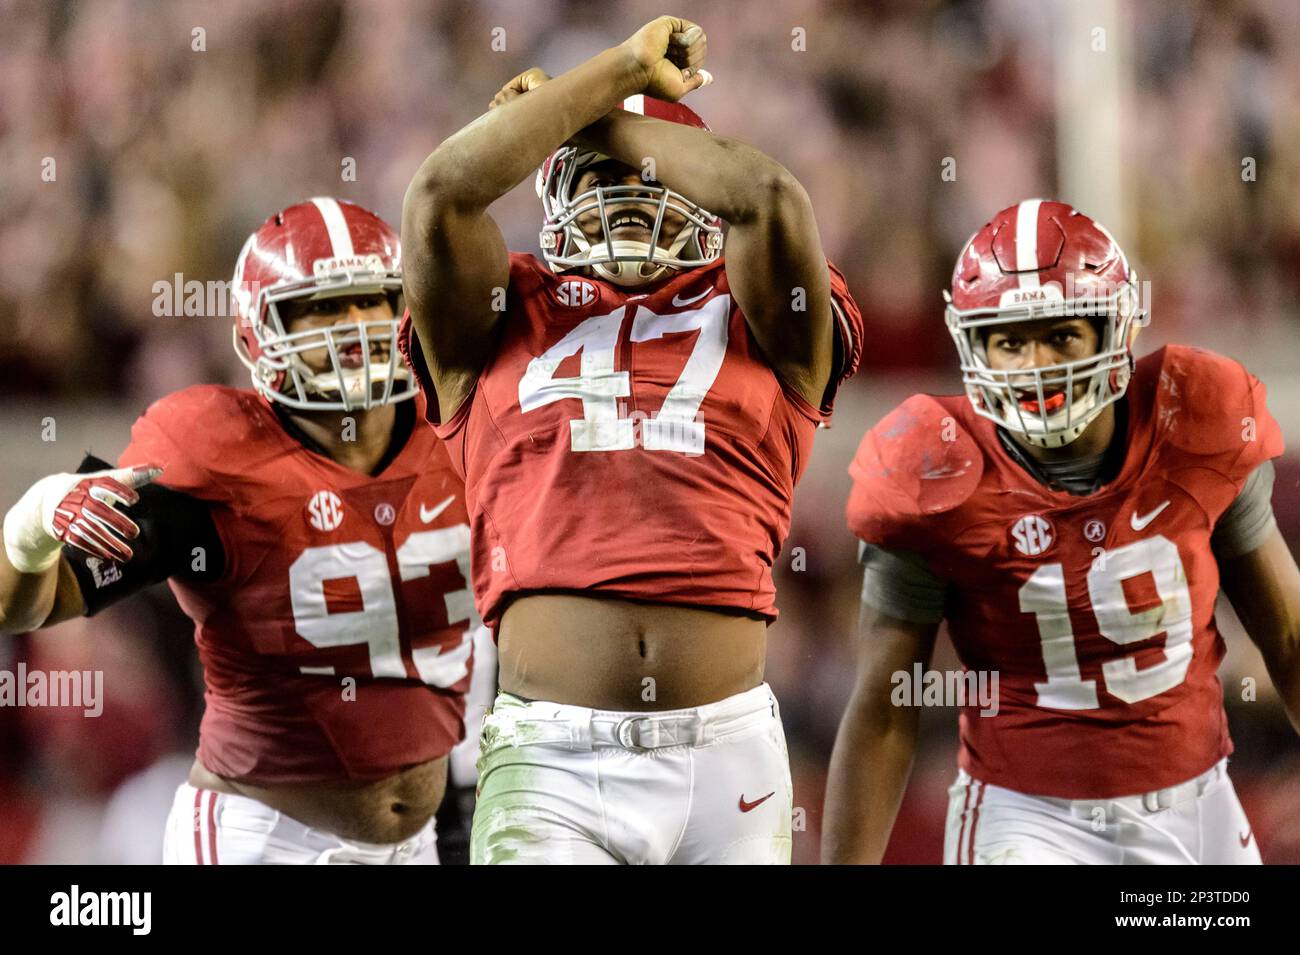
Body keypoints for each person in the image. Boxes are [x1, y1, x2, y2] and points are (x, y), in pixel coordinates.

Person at [398, 17, 863, 863]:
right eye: (601, 179)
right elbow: (440, 196)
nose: (625, 198)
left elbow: (771, 197)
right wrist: (620, 70)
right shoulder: (505, 309)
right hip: (550, 756)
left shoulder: (755, 311)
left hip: (728, 755)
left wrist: (593, 116)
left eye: (644, 176)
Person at [1, 198, 481, 864]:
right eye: (318, 307)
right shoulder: (214, 449)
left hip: (423, 840)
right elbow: (22, 602)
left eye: (371, 299)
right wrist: (31, 523)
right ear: (259, 333)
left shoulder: (461, 432)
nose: (352, 326)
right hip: (263, 838)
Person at [824, 198, 1300, 864]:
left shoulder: (1196, 417)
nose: (1035, 362)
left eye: (1060, 334)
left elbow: (1288, 635)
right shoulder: (932, 467)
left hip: (1196, 803)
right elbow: (883, 706)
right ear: (973, 343)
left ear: (1113, 331)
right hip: (1030, 818)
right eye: (1011, 340)